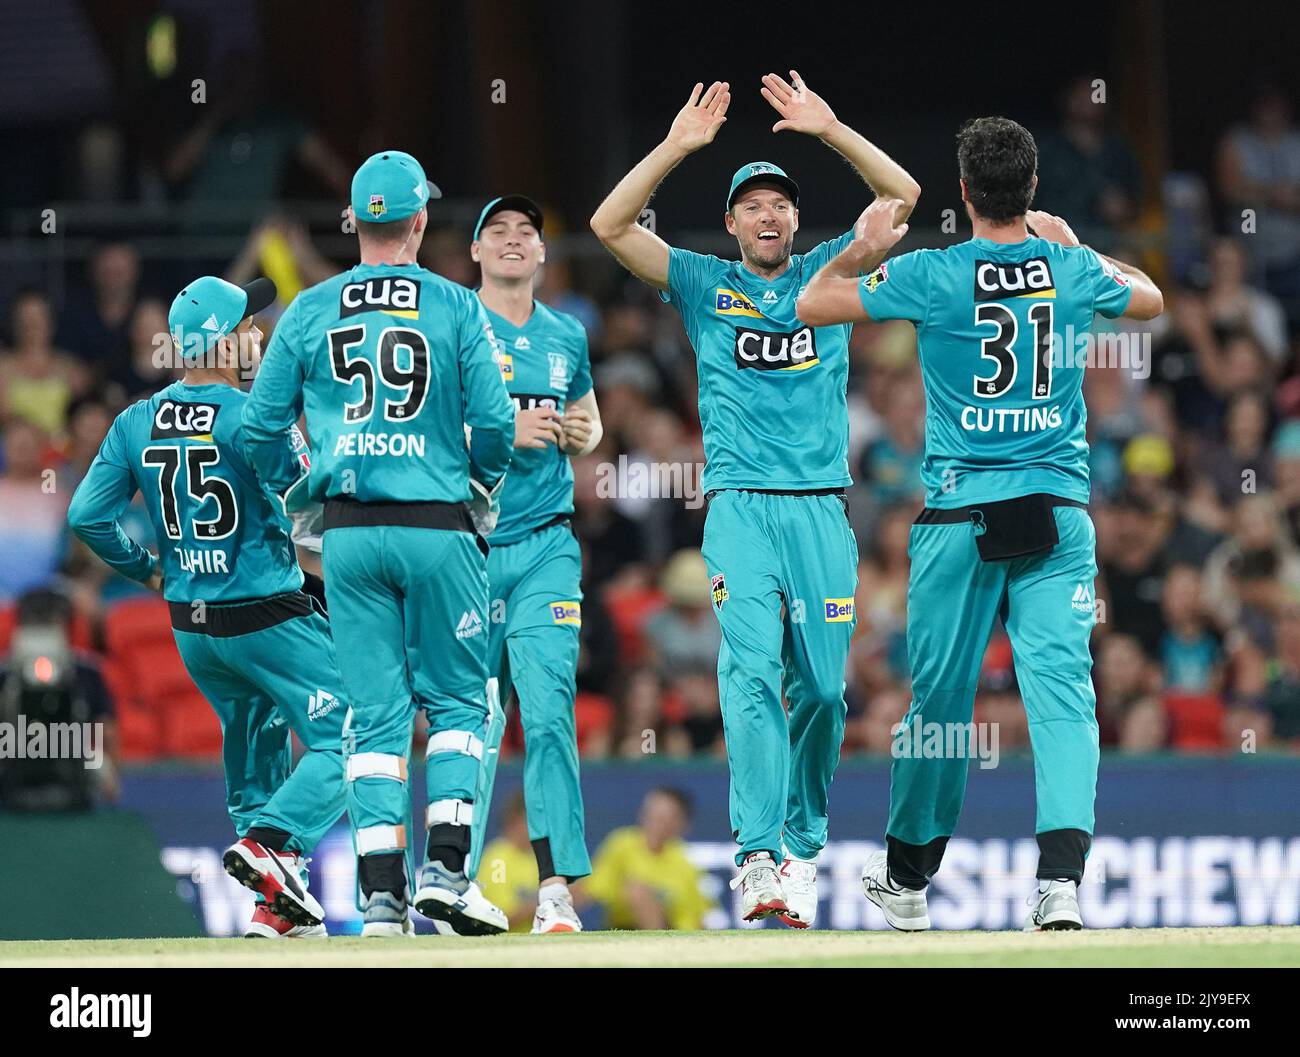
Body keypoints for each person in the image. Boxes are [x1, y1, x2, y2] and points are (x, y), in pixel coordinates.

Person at [798, 115, 1163, 931]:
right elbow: (1150, 297)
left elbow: (811, 302)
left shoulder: (931, 273)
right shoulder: (1071, 268)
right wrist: (1078, 247)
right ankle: (1061, 883)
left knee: (939, 706)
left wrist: (860, 247)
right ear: (1032, 190)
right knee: (1063, 694)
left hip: (960, 516)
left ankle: (908, 873)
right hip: (1058, 511)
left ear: (962, 193)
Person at [590, 72, 920, 928]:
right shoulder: (700, 281)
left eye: (780, 203)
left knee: (822, 688)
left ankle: (803, 848)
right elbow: (609, 226)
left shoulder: (829, 272)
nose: (768, 215)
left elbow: (903, 194)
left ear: (793, 221)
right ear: (732, 222)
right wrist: (676, 148)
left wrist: (830, 126)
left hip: (820, 507)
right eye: (752, 206)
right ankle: (759, 855)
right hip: (738, 506)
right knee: (748, 674)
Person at [242, 150, 515, 937]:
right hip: (437, 525)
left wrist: (304, 486)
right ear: (421, 221)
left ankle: (381, 900)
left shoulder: (308, 306)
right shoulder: (457, 306)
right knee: (465, 700)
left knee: (374, 716)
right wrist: (476, 482)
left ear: (354, 221)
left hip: (350, 534)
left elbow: (262, 427)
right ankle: (450, 872)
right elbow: (496, 428)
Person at [66, 274, 348, 939]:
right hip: (267, 616)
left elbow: (86, 515)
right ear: (224, 342)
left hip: (193, 626)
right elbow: (311, 517)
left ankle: (275, 910)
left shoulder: (137, 419)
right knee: (361, 734)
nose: (258, 334)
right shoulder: (256, 416)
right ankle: (274, 846)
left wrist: (148, 571)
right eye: (248, 325)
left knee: (256, 755)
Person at [466, 194, 602, 933]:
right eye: (498, 232)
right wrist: (501, 428)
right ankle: (455, 875)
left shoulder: (566, 334)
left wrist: (582, 432)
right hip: (472, 543)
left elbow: (587, 420)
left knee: (548, 711)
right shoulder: (453, 324)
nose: (515, 240)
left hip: (549, 542)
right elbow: (421, 432)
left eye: (527, 233)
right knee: (473, 719)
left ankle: (555, 889)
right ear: (476, 253)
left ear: (543, 256)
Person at [585, 787, 711, 931]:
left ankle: (656, 946)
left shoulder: (686, 861)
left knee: (638, 892)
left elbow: (694, 917)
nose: (656, 822)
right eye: (652, 814)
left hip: (670, 932)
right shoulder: (621, 843)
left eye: (665, 817)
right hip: (620, 928)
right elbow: (593, 888)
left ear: (681, 823)